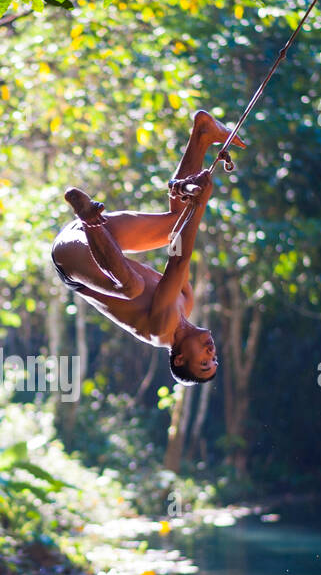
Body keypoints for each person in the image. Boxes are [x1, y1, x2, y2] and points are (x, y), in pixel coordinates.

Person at [50, 110, 237, 385]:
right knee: (176, 223)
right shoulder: (186, 302)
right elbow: (178, 244)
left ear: (180, 359)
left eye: (205, 362)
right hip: (100, 237)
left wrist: (200, 204)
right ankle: (202, 135)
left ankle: (88, 219)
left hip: (71, 256)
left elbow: (179, 262)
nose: (212, 353)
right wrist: (187, 193)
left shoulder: (161, 331)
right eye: (215, 359)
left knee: (132, 288)